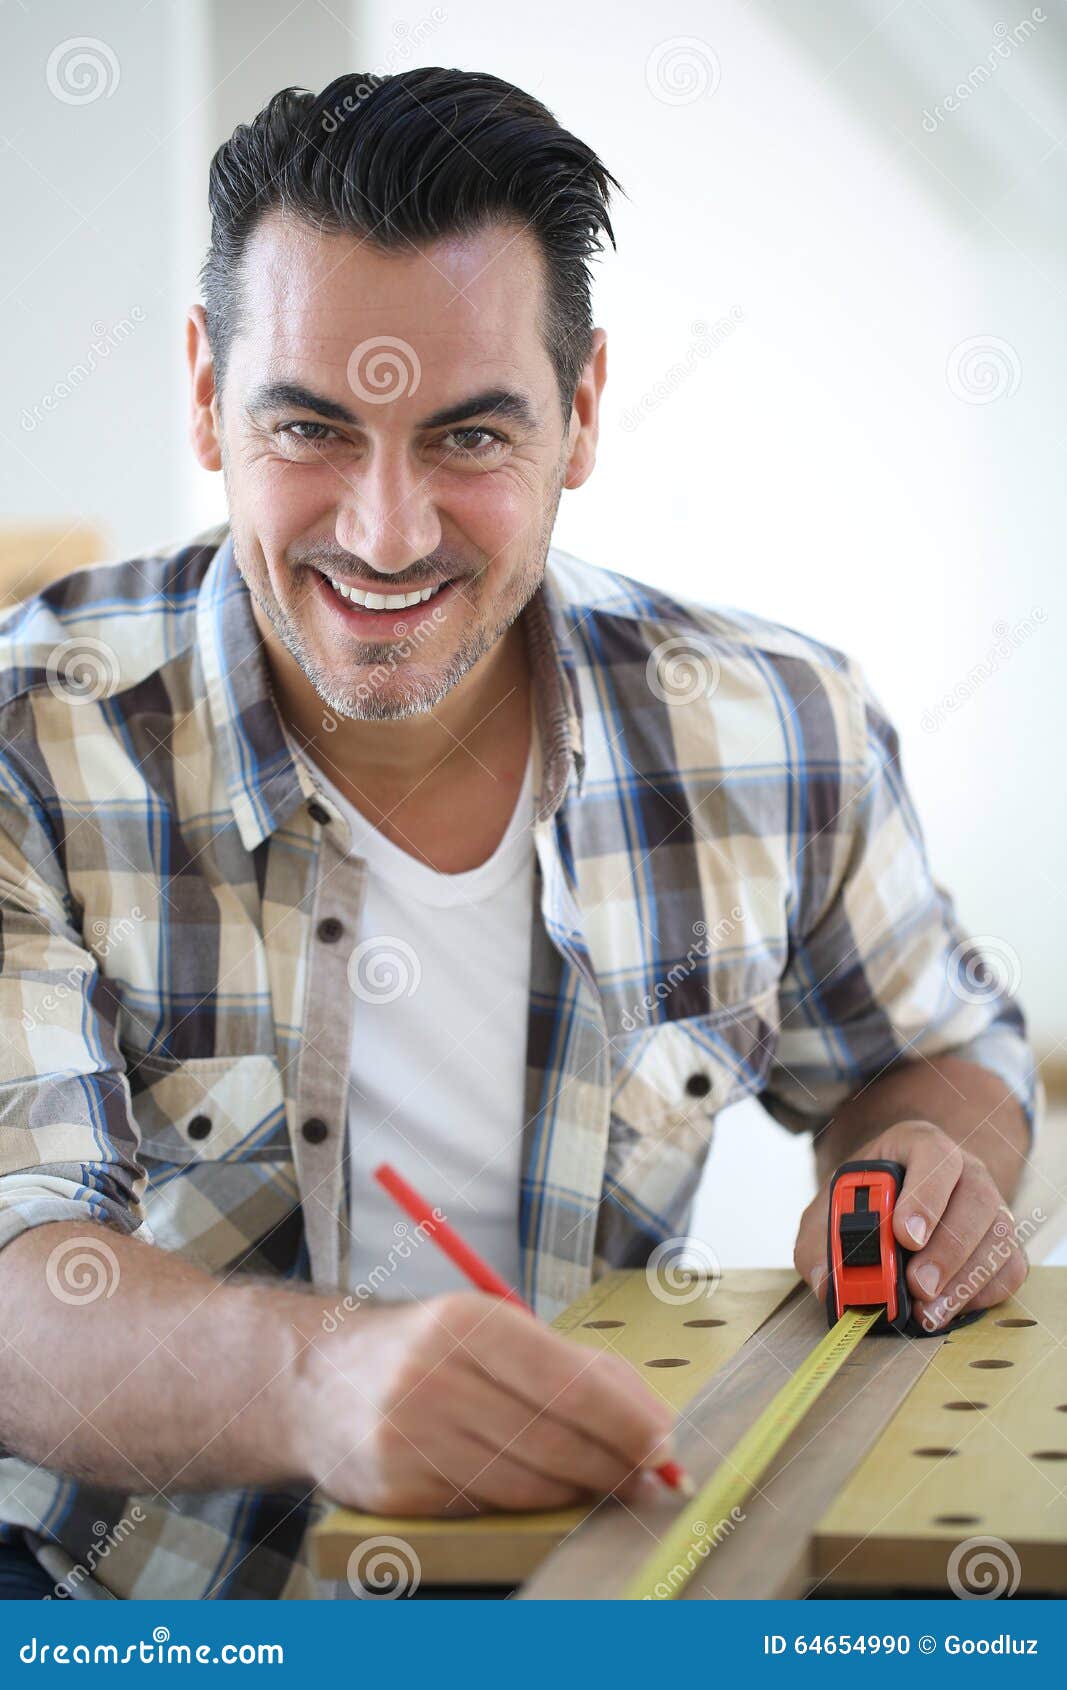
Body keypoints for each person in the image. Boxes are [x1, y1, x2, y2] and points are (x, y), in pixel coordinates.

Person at [0, 68, 1036, 1600]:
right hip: (121, 1602)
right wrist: (320, 1385)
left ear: (587, 409)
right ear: (210, 395)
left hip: (583, 1579)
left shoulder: (775, 728)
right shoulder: (34, 741)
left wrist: (927, 1159)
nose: (387, 530)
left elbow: (932, 1047)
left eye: (471, 437)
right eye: (313, 426)